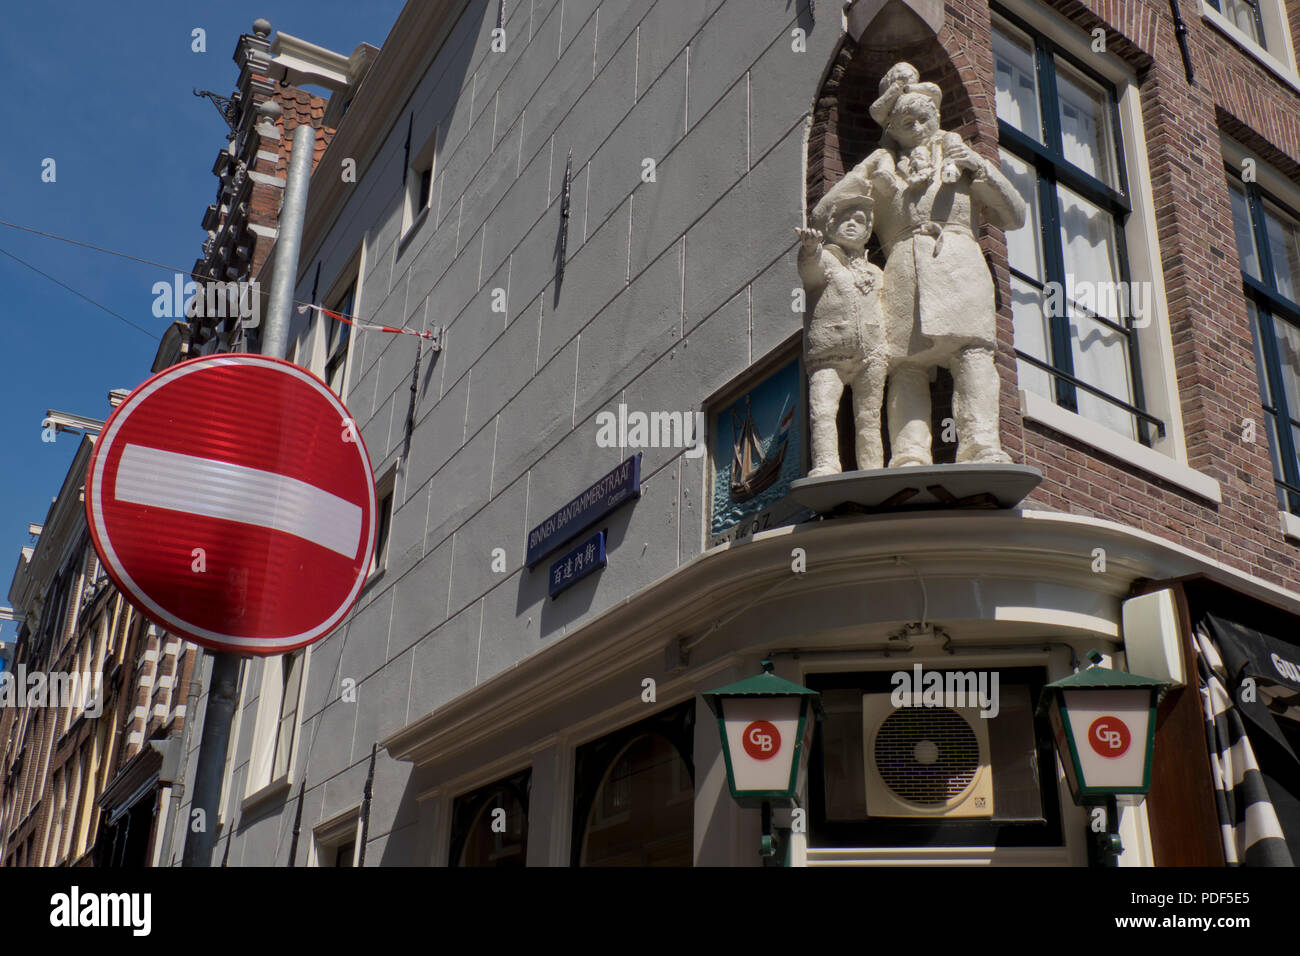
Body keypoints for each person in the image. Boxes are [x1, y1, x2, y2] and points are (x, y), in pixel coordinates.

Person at [856, 62, 1026, 466]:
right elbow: (840, 218)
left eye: (923, 118)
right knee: (905, 366)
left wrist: (979, 169)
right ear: (892, 129)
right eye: (905, 122)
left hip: (958, 265)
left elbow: (1015, 216)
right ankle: (909, 453)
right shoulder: (876, 169)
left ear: (936, 116)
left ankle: (980, 442)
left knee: (973, 354)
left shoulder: (962, 158)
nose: (916, 127)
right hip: (902, 275)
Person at [797, 169, 890, 476]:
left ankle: (872, 469)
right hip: (830, 352)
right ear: (833, 224)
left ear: (867, 230)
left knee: (869, 415)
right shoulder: (826, 260)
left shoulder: (875, 272)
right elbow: (809, 271)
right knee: (823, 410)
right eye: (846, 218)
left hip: (872, 353)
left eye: (860, 220)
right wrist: (809, 249)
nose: (852, 224)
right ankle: (826, 464)